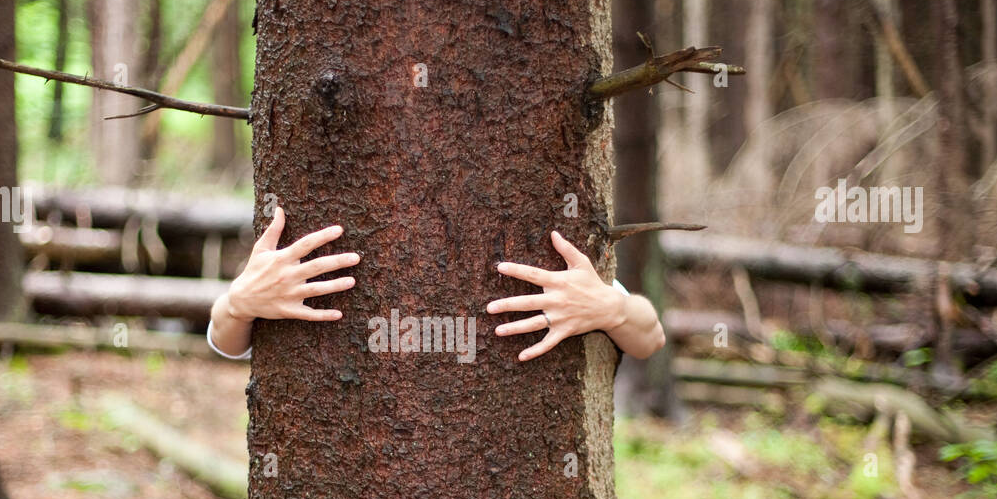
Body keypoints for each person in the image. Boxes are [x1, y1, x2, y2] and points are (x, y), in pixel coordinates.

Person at [206, 206, 665, 362]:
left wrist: (612, 309)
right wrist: (237, 303)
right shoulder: (297, 271)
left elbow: (649, 337)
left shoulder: (549, 264)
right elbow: (225, 341)